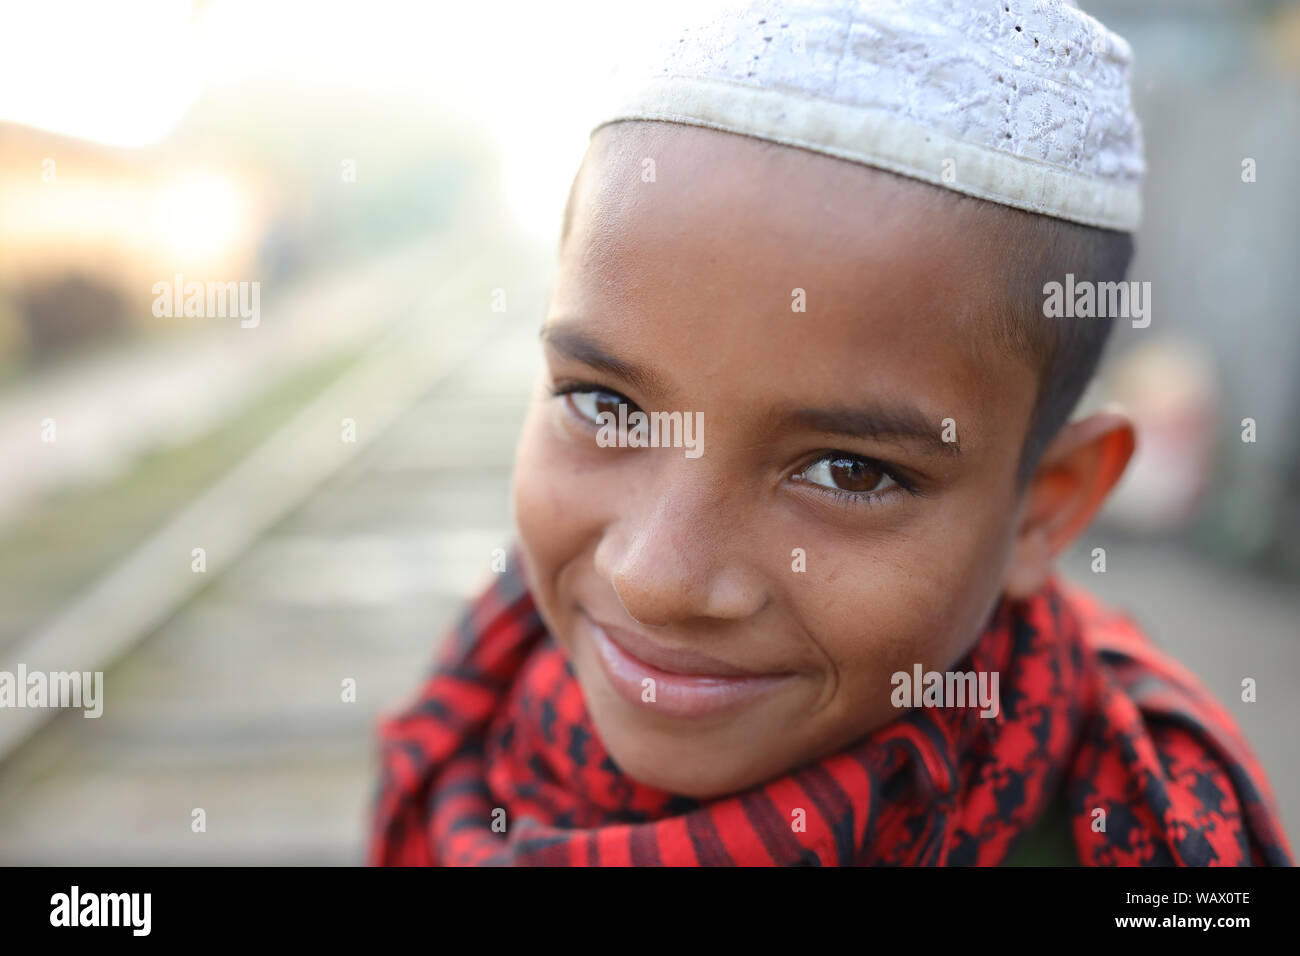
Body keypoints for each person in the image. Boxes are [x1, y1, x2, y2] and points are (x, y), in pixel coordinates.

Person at [370, 0, 1293, 866]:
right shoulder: (475, 721)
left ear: (1044, 510)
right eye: (604, 406)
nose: (654, 580)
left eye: (849, 472)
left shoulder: (1154, 847)